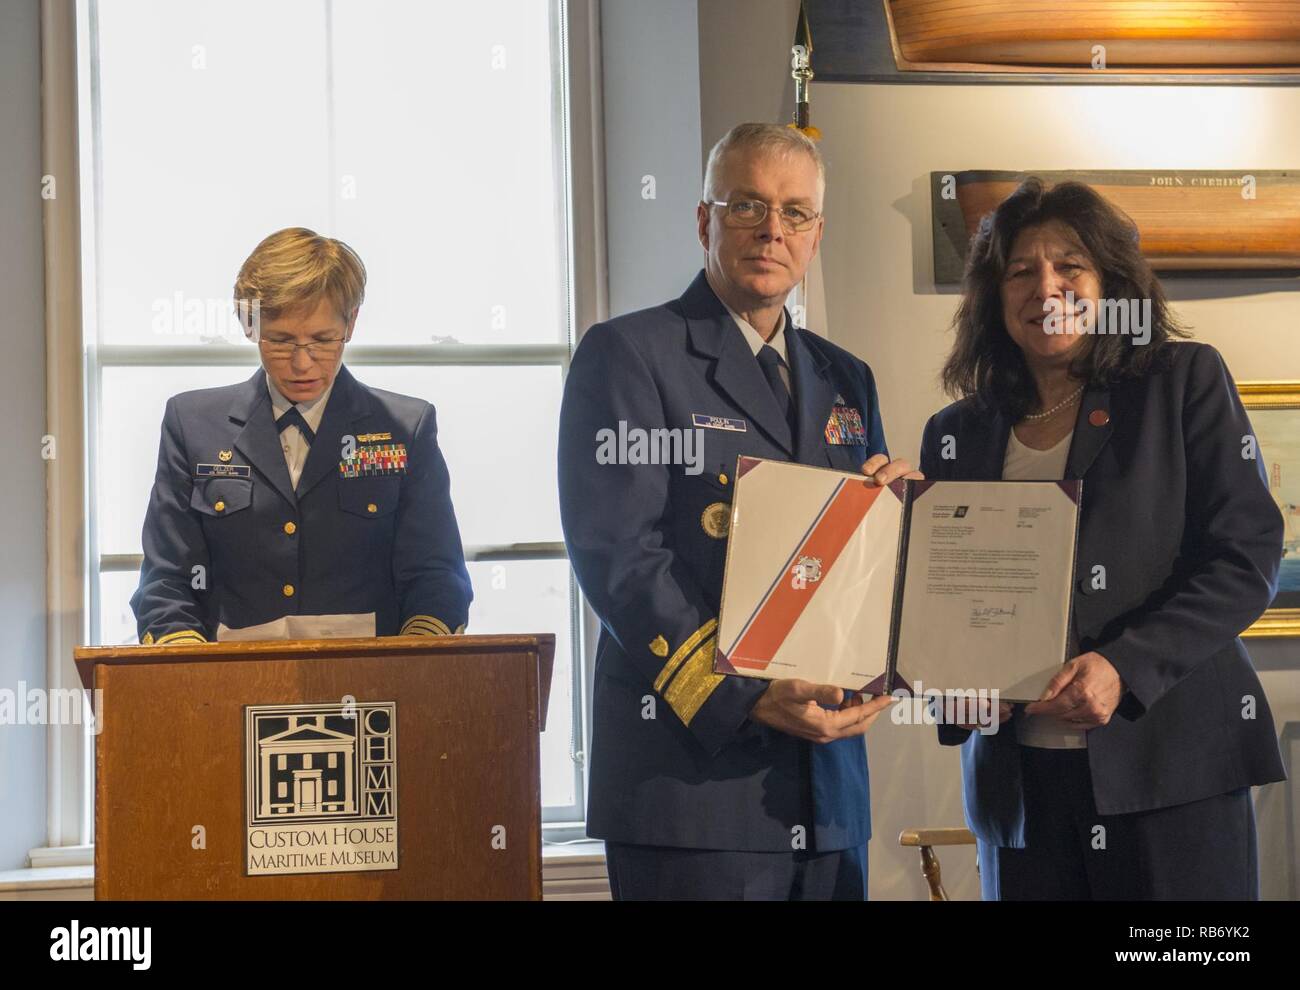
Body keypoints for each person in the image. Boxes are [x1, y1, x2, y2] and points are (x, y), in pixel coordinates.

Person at [559, 122, 916, 900]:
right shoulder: (629, 354)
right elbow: (619, 556)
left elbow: (858, 572)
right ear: (704, 221)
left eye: (794, 213)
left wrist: (899, 524)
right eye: (747, 205)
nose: (770, 229)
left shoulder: (844, 377)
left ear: (816, 235)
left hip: (826, 788)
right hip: (691, 787)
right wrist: (745, 697)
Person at [922, 178, 1286, 899]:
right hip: (1021, 794)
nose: (1045, 285)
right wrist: (951, 690)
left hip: (1170, 777)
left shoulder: (1182, 381)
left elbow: (1247, 558)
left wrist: (1123, 667)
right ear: (994, 299)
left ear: (1112, 283)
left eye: (1070, 266)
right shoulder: (955, 434)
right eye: (1020, 271)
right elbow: (940, 604)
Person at [131, 227, 472, 645]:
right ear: (248, 324)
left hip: (370, 686)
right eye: (281, 340)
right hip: (225, 685)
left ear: (351, 323)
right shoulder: (192, 423)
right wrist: (188, 665)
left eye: (323, 340)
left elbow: (436, 576)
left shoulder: (405, 428)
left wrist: (414, 661)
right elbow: (166, 579)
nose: (302, 363)